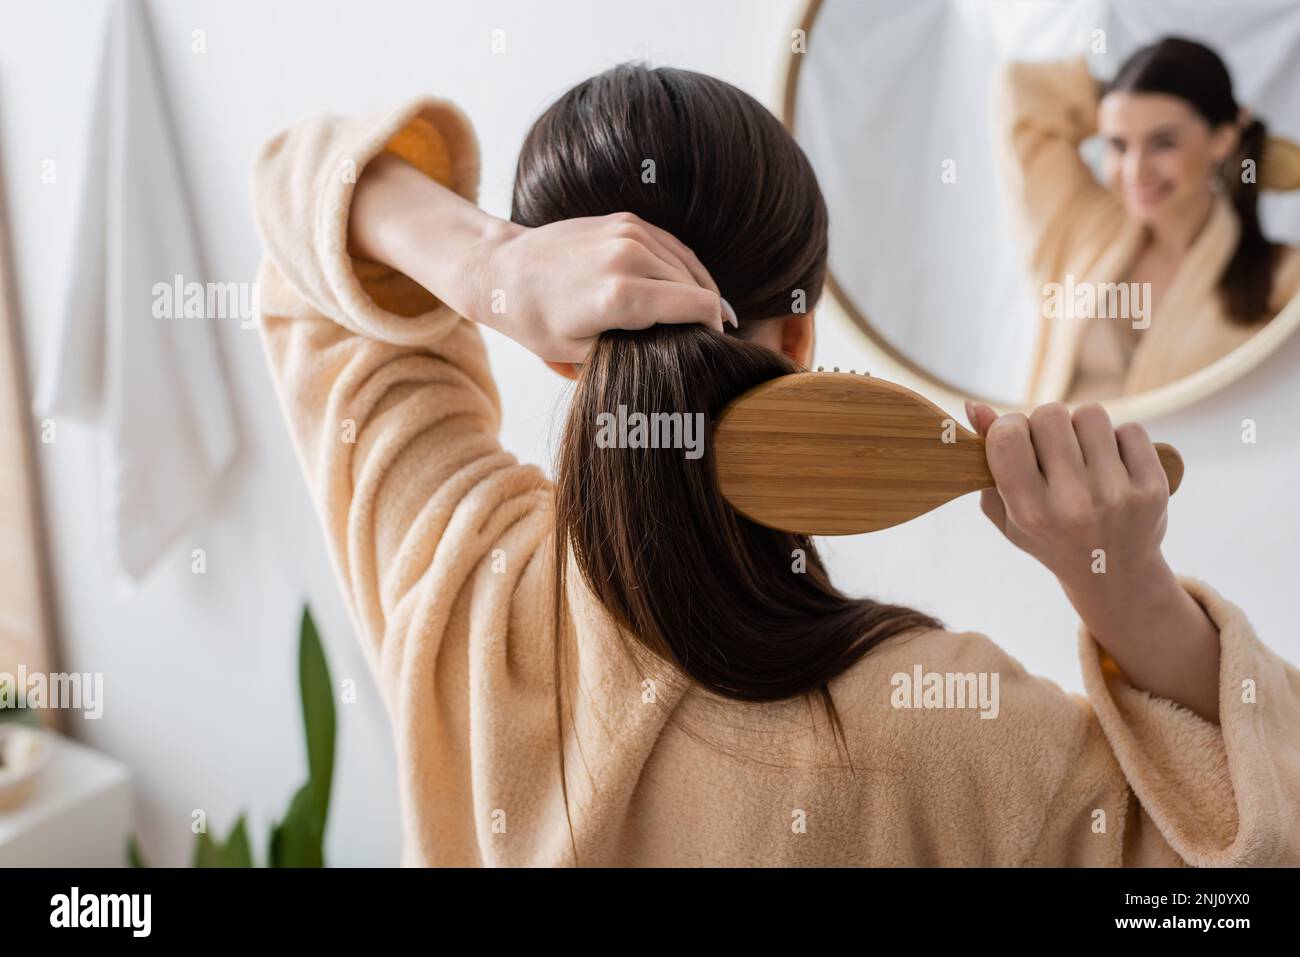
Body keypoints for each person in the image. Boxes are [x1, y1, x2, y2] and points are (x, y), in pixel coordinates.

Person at [251, 63, 1299, 866]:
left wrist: (485, 264)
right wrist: (1131, 595)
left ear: (557, 346)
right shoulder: (953, 735)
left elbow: (303, 224)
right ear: (800, 338)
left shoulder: (460, 590)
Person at [996, 37, 1300, 403]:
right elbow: (1020, 89)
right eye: (1118, 144)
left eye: (1163, 142)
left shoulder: (1283, 277)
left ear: (1221, 140)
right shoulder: (1078, 224)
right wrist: (1118, 95)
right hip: (1041, 461)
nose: (1135, 171)